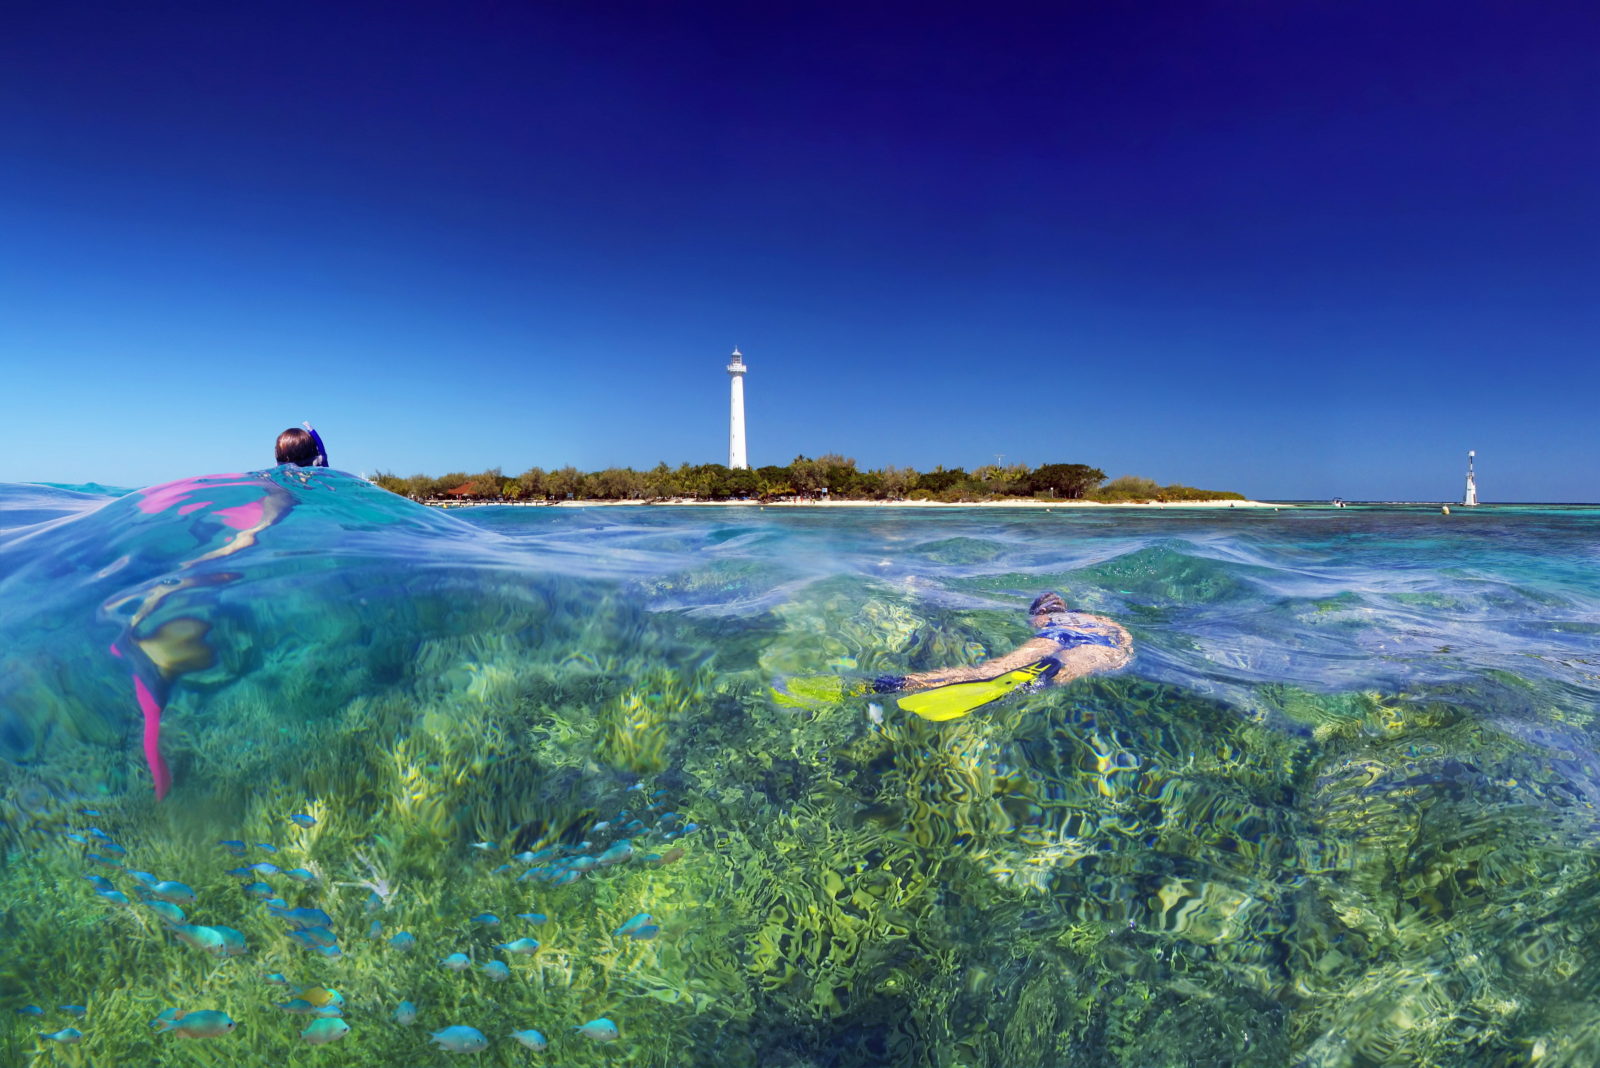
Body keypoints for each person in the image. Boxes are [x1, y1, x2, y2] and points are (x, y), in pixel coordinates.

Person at [874, 591, 1132, 695]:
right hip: (1099, 641)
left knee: (991, 671)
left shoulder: (1043, 618)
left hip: (1055, 634)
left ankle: (902, 683)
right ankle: (1049, 675)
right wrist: (1124, 653)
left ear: (1041, 610)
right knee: (1072, 668)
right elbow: (1123, 635)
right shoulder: (1093, 617)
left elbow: (1043, 627)